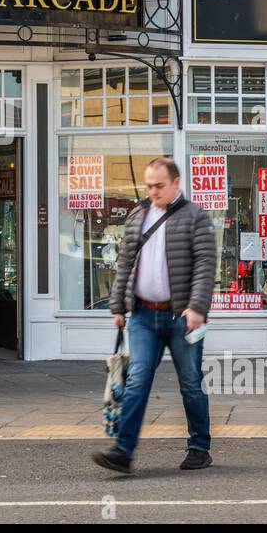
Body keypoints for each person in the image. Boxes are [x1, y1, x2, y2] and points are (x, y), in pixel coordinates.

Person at [93, 156, 216, 475]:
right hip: (145, 316)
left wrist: (198, 307)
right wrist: (118, 307)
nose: (153, 191)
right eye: (149, 186)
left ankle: (199, 447)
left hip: (181, 317)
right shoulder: (138, 216)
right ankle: (123, 451)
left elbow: (205, 263)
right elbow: (125, 263)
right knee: (136, 382)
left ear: (176, 183)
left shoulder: (195, 216)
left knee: (190, 383)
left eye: (159, 186)